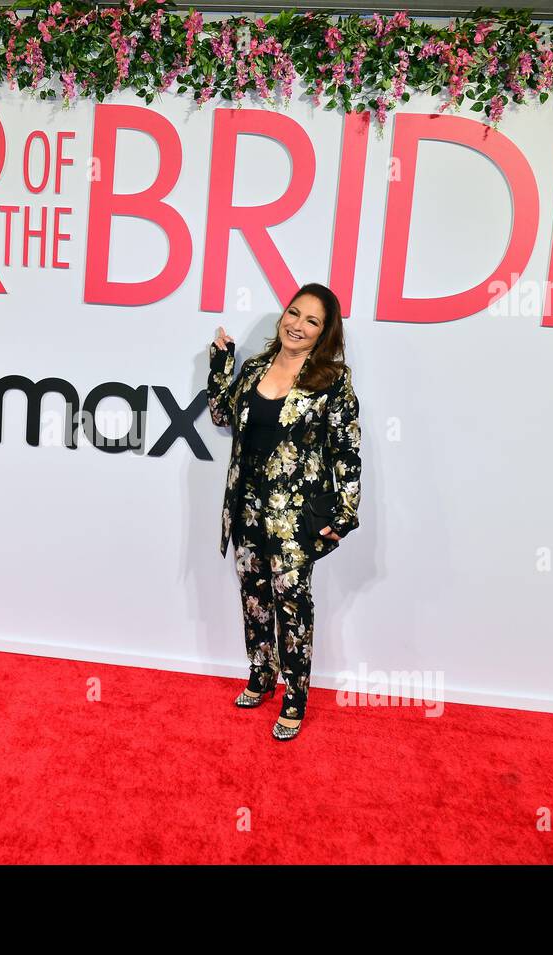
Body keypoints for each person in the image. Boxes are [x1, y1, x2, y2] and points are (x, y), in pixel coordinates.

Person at [206, 283, 361, 741]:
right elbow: (220, 414)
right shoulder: (255, 368)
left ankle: (296, 694)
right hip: (246, 506)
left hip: (294, 518)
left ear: (324, 333)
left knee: (293, 604)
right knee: (254, 594)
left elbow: (347, 452)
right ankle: (261, 673)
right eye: (294, 313)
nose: (297, 325)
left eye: (311, 321)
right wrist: (222, 362)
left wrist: (346, 512)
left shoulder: (332, 381)